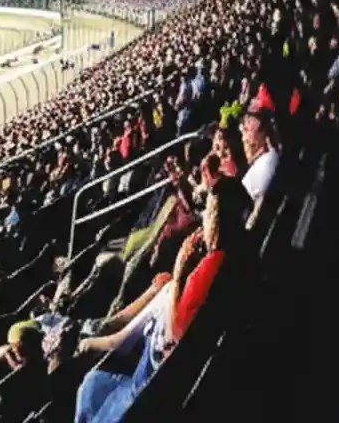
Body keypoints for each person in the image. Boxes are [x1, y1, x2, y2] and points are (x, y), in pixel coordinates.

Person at [73, 177, 250, 422]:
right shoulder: (235, 255)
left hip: (148, 388)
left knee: (90, 385)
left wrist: (178, 272)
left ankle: (100, 340)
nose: (205, 220)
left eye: (209, 213)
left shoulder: (213, 266)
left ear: (219, 219)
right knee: (92, 384)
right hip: (162, 375)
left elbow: (178, 331)